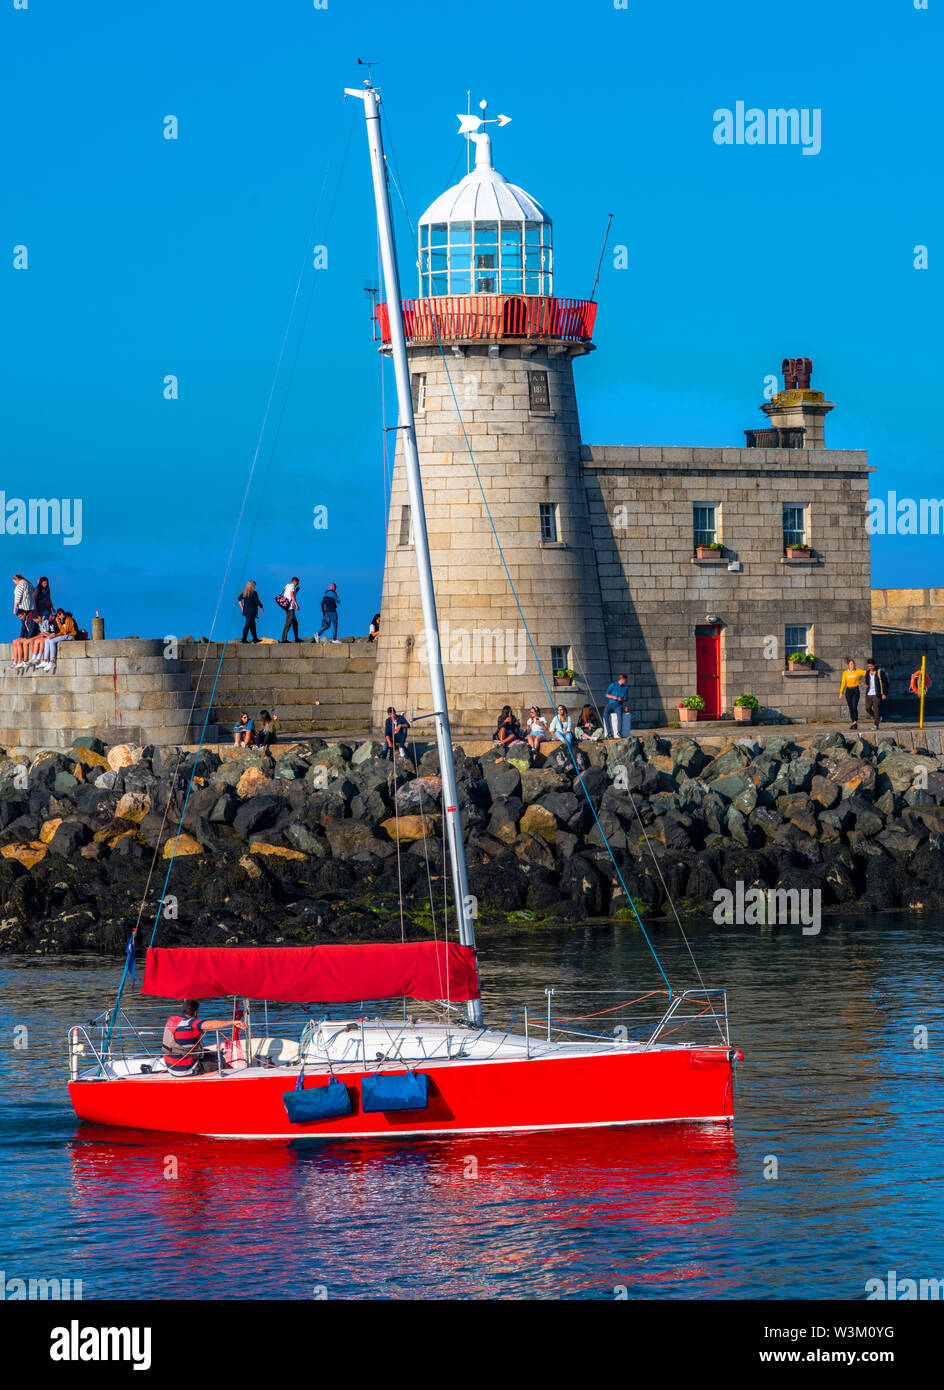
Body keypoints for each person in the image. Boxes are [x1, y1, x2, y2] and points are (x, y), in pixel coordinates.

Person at [162, 1000, 237, 1076]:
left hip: (171, 1067)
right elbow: (210, 1025)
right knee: (219, 1059)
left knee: (209, 1053)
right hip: (186, 1069)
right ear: (195, 1012)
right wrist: (233, 1022)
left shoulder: (171, 1020)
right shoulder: (191, 1024)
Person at [838, 657, 865, 730]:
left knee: (854, 706)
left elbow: (866, 673)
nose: (852, 665)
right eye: (851, 664)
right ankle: (853, 722)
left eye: (853, 664)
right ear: (848, 665)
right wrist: (841, 693)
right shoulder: (845, 673)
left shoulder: (858, 671)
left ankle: (855, 722)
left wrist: (867, 683)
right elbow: (843, 683)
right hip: (848, 691)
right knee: (850, 707)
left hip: (855, 690)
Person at [863, 657, 889, 729]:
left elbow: (885, 683)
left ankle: (876, 725)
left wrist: (884, 693)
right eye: (869, 666)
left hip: (877, 694)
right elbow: (867, 682)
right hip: (869, 694)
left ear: (874, 665)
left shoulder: (880, 672)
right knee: (867, 708)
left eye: (871, 666)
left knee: (876, 709)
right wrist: (866, 685)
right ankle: (877, 717)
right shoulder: (867, 673)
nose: (870, 667)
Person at [279, 577, 301, 642]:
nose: (298, 584)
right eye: (297, 582)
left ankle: (296, 638)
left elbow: (290, 595)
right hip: (290, 607)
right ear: (294, 581)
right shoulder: (292, 586)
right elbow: (291, 595)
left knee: (295, 623)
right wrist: (296, 604)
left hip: (288, 607)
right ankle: (284, 639)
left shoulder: (287, 586)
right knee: (288, 623)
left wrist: (297, 590)